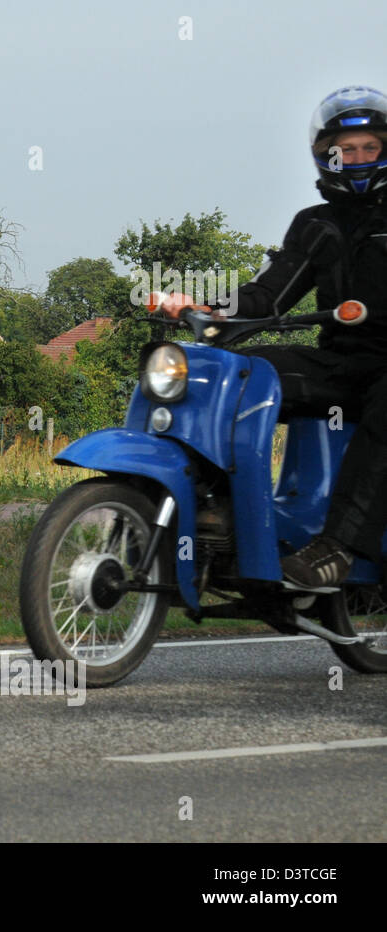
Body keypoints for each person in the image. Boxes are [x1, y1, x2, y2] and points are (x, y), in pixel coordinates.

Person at [152, 85, 387, 588]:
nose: (358, 157)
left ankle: (339, 548)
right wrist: (207, 309)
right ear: (327, 156)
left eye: (371, 147)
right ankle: (218, 515)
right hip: (343, 362)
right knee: (238, 376)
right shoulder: (315, 224)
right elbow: (269, 295)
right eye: (346, 149)